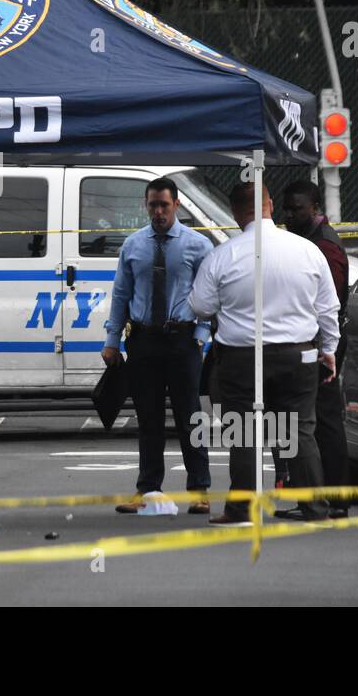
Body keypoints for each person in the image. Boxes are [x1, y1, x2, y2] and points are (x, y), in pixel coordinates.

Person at [189, 180, 339, 526]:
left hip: (242, 359)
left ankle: (241, 509)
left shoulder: (222, 255)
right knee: (301, 431)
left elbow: (200, 306)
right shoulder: (306, 250)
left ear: (236, 212)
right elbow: (327, 308)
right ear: (270, 205)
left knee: (244, 430)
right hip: (298, 355)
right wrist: (328, 349)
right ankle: (316, 509)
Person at [102, 176, 214, 514]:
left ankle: (199, 489)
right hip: (143, 341)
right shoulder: (133, 246)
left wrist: (200, 337)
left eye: (164, 205)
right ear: (145, 205)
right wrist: (112, 340)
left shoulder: (198, 245)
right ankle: (147, 489)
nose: (159, 211)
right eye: (153, 205)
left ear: (177, 205)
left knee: (188, 415)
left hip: (182, 341)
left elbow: (208, 295)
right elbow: (121, 294)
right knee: (148, 419)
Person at [282, 179, 351, 519]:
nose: (289, 215)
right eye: (286, 208)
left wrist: (327, 349)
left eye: (297, 209)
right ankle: (313, 494)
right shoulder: (308, 241)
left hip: (324, 342)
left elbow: (331, 304)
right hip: (313, 341)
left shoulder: (326, 247)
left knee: (323, 421)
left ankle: (335, 498)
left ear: (315, 209)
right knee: (308, 421)